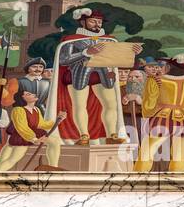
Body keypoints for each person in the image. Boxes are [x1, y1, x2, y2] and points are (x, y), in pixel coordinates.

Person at [50, 8, 127, 146]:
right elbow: (64, 59)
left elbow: (115, 59)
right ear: (83, 22)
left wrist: (128, 52)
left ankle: (111, 135)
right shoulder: (71, 40)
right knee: (80, 105)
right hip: (78, 74)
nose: (97, 24)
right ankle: (84, 135)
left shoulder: (109, 39)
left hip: (103, 75)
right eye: (93, 21)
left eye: (99, 21)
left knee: (111, 105)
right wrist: (86, 52)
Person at [136, 54, 184, 173]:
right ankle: (176, 182)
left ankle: (137, 179)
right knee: (180, 153)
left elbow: (150, 102)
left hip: (162, 118)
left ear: (169, 67)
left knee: (147, 150)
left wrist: (147, 115)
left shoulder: (156, 79)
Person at [0, 90, 63, 171]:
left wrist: (57, 120)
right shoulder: (18, 110)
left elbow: (41, 124)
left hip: (34, 133)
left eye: (32, 93)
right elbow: (22, 127)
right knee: (13, 159)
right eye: (29, 94)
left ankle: (53, 167)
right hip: (22, 136)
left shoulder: (36, 109)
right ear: (22, 98)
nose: (33, 94)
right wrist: (34, 139)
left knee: (55, 141)